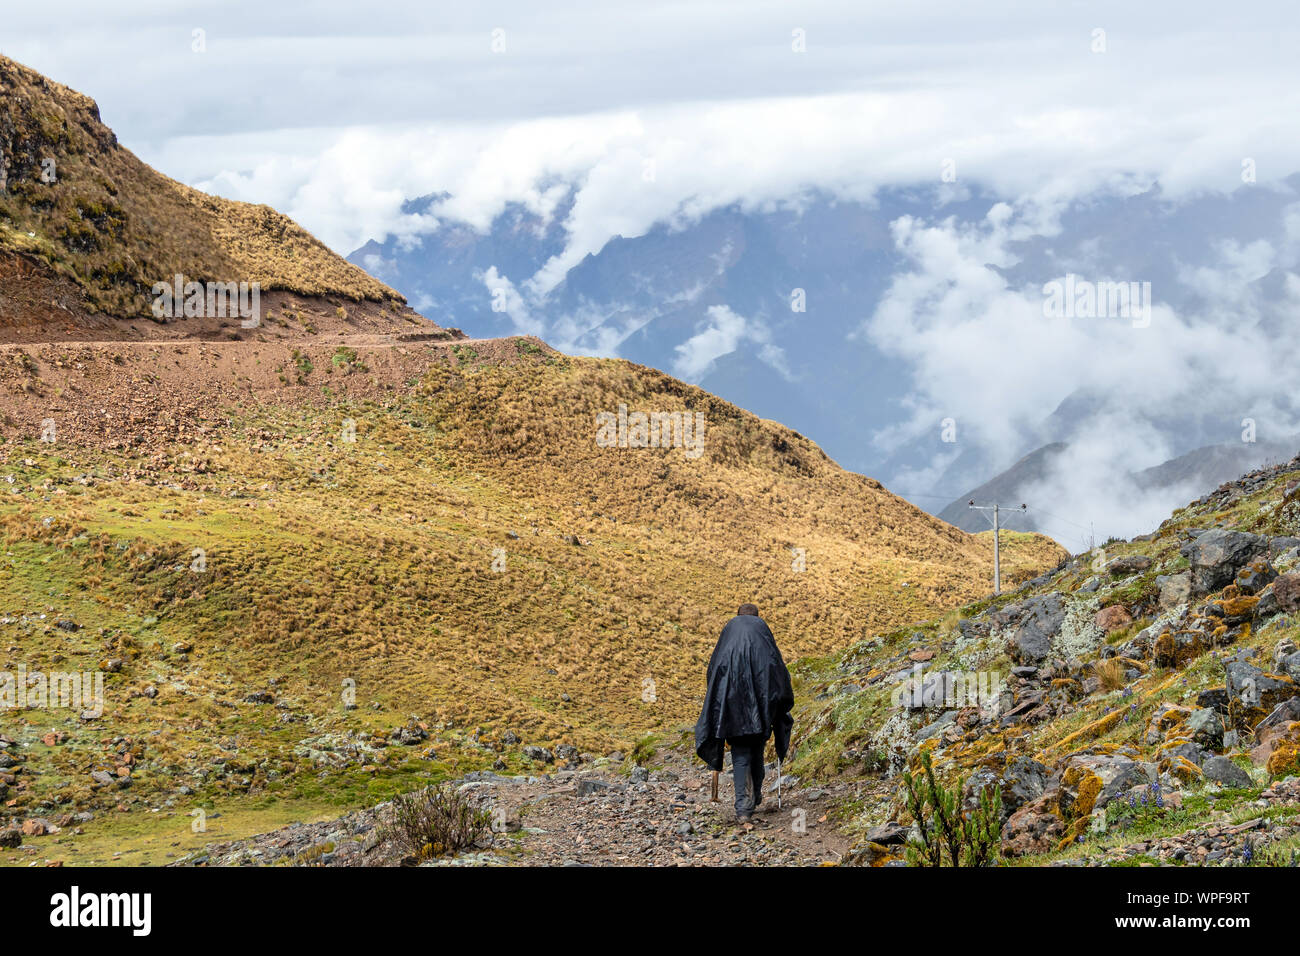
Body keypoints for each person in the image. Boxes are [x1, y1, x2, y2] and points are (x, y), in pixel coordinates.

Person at [694, 603, 794, 823]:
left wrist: (718, 702)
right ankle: (755, 796)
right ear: (757, 616)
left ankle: (743, 810)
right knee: (757, 750)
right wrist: (778, 703)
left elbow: (714, 670)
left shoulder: (729, 633)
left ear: (738, 615)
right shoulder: (762, 631)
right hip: (761, 706)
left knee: (740, 754)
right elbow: (777, 669)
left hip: (732, 708)